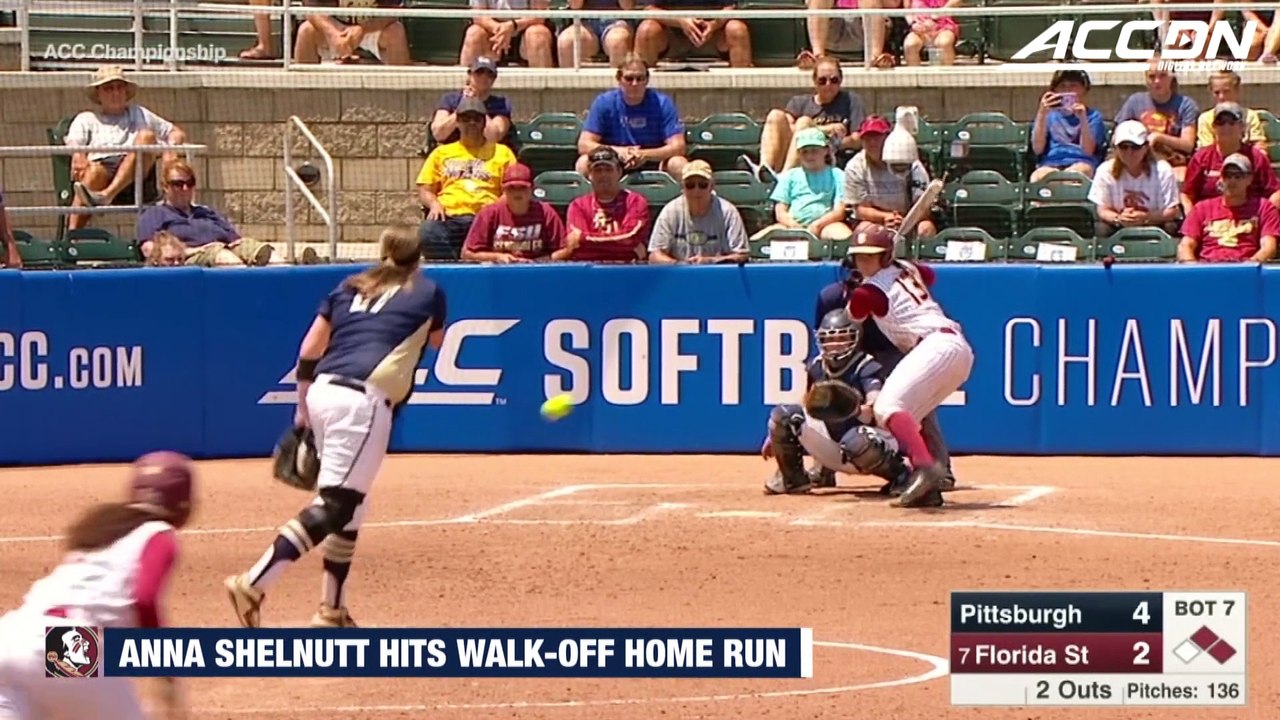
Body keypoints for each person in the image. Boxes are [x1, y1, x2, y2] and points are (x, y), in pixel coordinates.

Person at [224, 226, 448, 628]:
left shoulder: (348, 287)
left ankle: (332, 610)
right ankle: (253, 582)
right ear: (418, 260)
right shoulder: (427, 291)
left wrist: (302, 408)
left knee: (351, 506)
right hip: (362, 402)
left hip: (324, 391)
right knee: (336, 505)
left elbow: (309, 351)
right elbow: (435, 343)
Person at [0, 451, 195, 719]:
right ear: (183, 502)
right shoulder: (159, 533)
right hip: (69, 643)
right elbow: (145, 598)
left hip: (10, 636)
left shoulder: (104, 532)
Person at [845, 226, 973, 508]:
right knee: (906, 419)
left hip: (935, 345)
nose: (863, 262)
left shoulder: (868, 292)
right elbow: (929, 275)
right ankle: (927, 485)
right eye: (859, 257)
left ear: (885, 255)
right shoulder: (907, 268)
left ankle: (927, 468)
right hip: (956, 349)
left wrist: (860, 285)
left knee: (885, 408)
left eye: (871, 256)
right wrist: (894, 265)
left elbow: (853, 314)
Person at [813, 264, 957, 490]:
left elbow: (928, 275)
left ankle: (938, 470)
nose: (863, 277)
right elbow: (825, 342)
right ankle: (823, 467)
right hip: (852, 354)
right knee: (831, 396)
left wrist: (901, 263)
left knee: (914, 404)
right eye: (857, 271)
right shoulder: (832, 296)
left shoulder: (891, 287)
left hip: (893, 351)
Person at [761, 308, 912, 497]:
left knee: (855, 440)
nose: (835, 345)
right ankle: (793, 479)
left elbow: (876, 410)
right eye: (829, 339)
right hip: (834, 444)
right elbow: (806, 402)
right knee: (784, 414)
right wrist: (776, 434)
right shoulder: (817, 366)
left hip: (869, 440)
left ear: (855, 339)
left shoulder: (866, 366)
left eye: (841, 339)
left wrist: (854, 410)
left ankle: (902, 476)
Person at [1178, 153, 1280, 264]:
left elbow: (1268, 247)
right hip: (1207, 269)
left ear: (1249, 179)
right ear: (1221, 178)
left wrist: (1249, 266)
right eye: (1227, 175)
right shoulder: (1201, 208)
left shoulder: (1263, 207)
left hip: (1246, 270)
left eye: (1238, 176)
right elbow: (1186, 245)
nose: (1232, 180)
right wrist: (1193, 269)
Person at [1088, 120, 1181, 238]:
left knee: (1171, 227)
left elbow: (1170, 211)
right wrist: (1119, 218)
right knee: (1102, 229)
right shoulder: (1105, 170)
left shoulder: (1162, 170)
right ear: (1115, 148)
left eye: (1135, 147)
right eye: (1123, 147)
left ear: (1146, 147)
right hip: (1119, 225)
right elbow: (1103, 210)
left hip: (1155, 225)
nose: (1129, 152)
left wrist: (1145, 217)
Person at [461, 163, 565, 262]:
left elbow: (564, 250)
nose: (517, 193)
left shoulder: (545, 212)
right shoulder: (489, 213)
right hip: (499, 273)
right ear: (503, 190)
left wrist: (536, 263)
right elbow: (467, 254)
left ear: (532, 189)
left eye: (522, 188)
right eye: (511, 188)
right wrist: (497, 257)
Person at [1030, 67, 1106, 181]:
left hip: (1082, 162)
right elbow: (1037, 149)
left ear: (1084, 89)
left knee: (1075, 174)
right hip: (1051, 162)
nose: (1067, 90)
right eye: (1062, 86)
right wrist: (1042, 113)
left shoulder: (1093, 116)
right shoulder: (1048, 115)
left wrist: (1083, 119)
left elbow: (1088, 151)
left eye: (1073, 86)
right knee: (1037, 177)